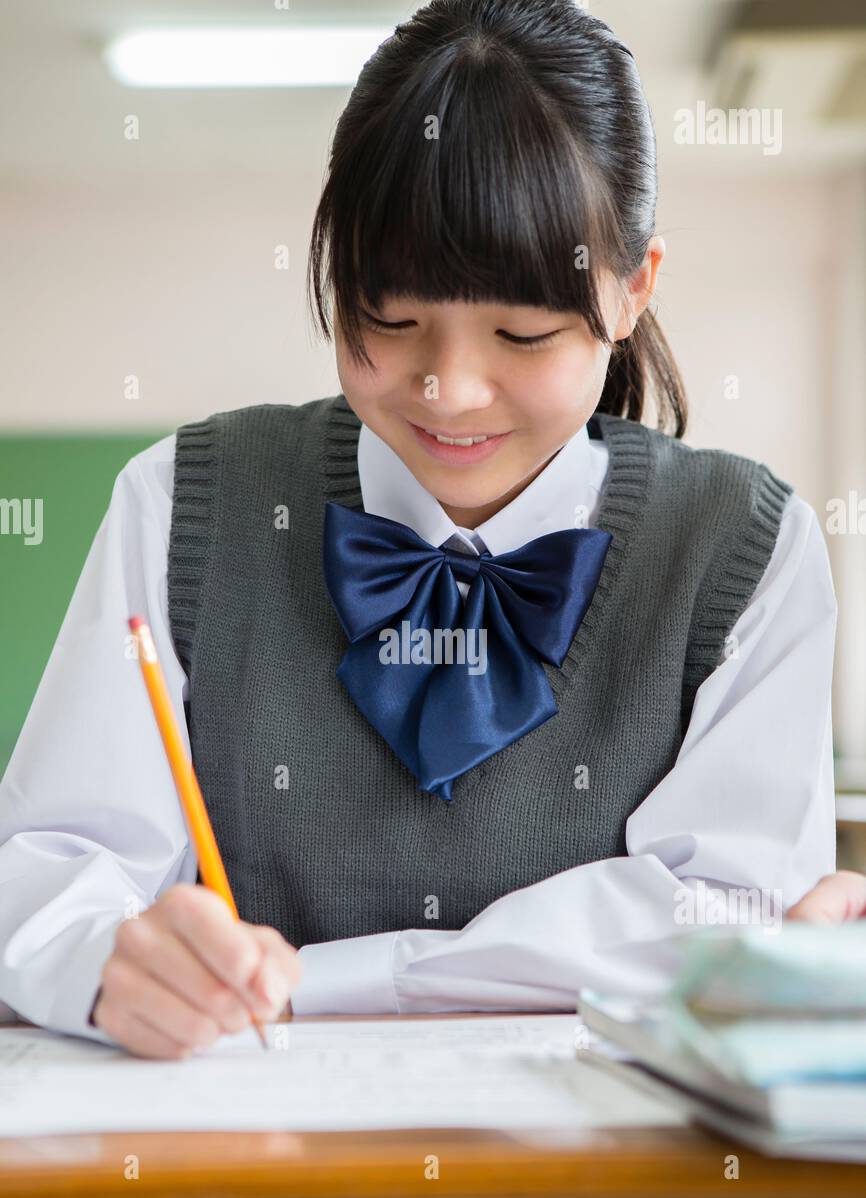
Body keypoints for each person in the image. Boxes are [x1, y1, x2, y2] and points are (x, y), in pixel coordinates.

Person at [0, 1, 840, 1057]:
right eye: (387, 320)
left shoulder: (745, 546)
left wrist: (309, 980)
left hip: (607, 1189)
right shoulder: (181, 500)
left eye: (519, 333)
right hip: (223, 1168)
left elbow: (720, 914)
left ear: (632, 291)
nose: (447, 389)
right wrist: (101, 956)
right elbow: (49, 868)